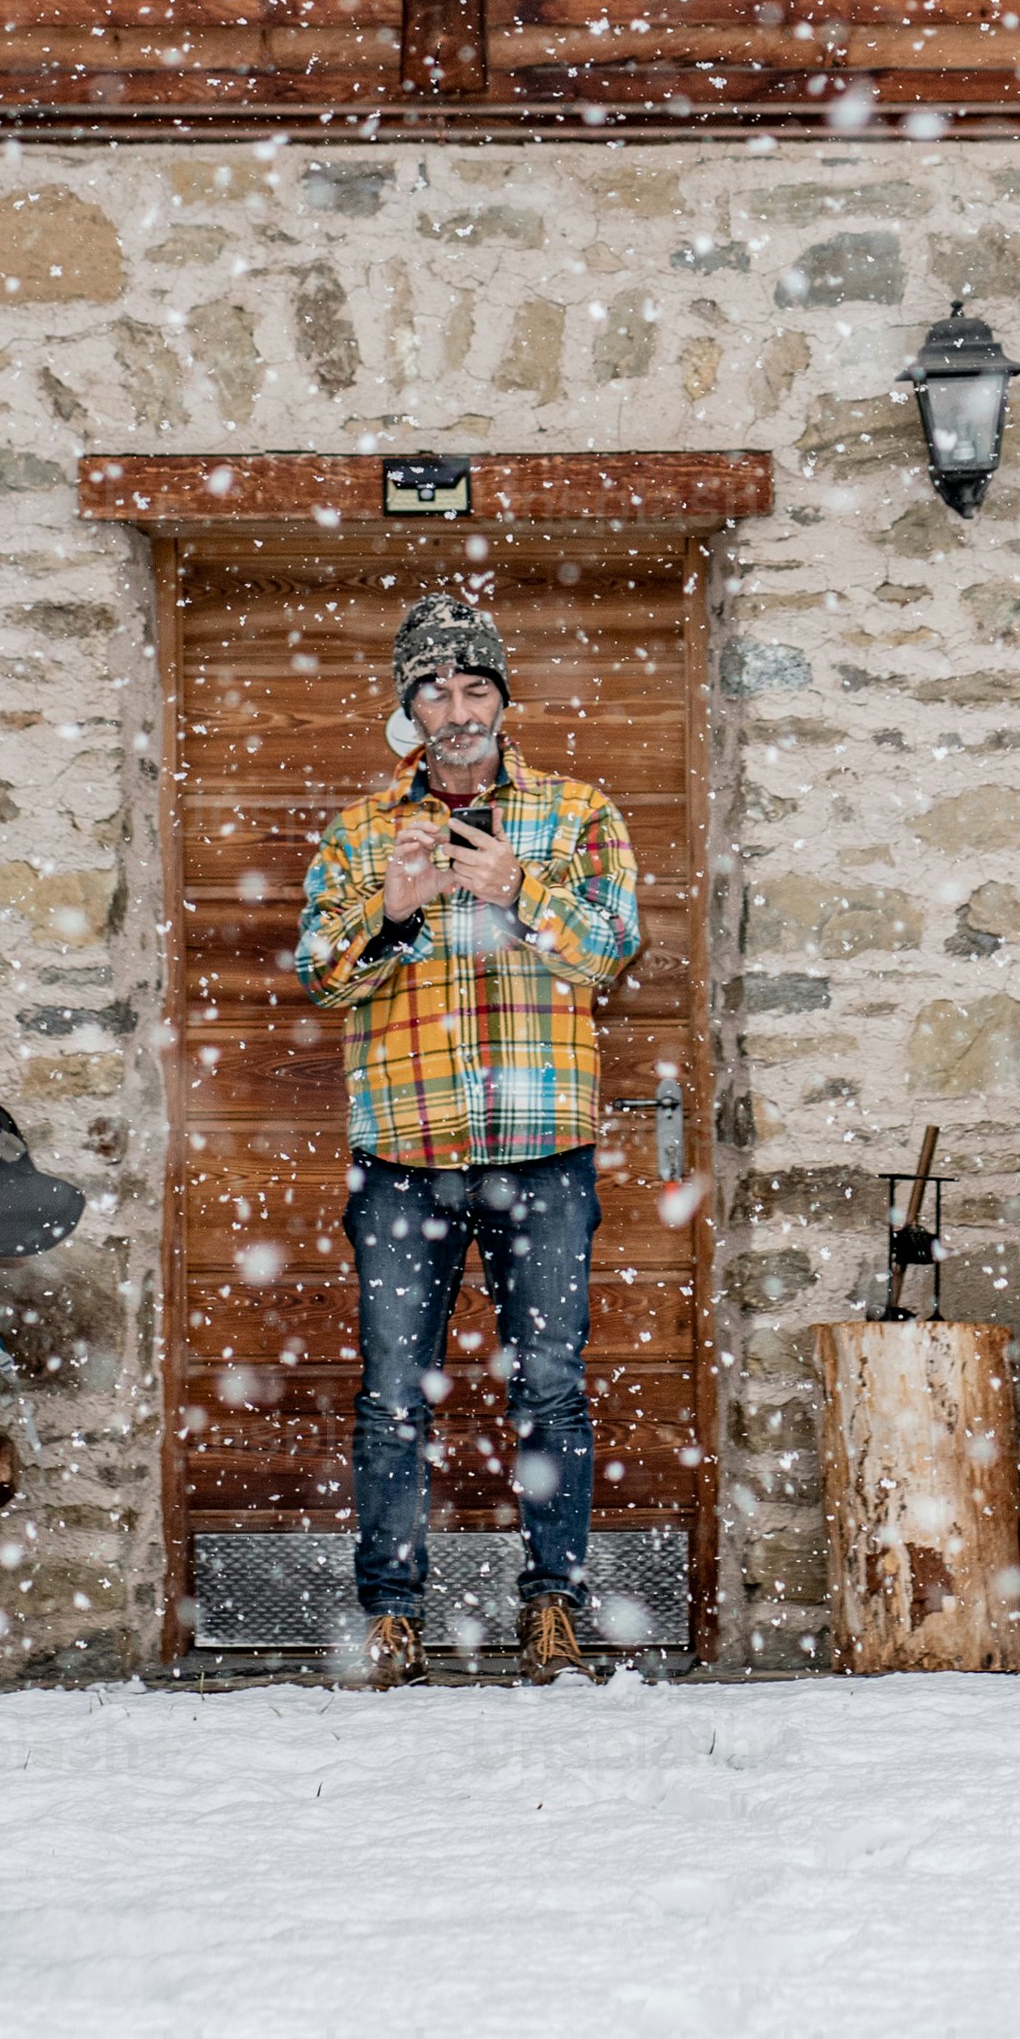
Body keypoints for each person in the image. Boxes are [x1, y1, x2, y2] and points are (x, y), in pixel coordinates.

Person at [289, 589, 643, 1687]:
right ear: (409, 709)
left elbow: (612, 951)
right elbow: (318, 977)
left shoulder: (580, 813)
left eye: (474, 686)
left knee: (549, 1384)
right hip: (407, 1151)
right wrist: (393, 914)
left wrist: (519, 885)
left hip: (542, 1147)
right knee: (395, 1394)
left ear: (502, 699)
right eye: (435, 688)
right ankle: (393, 1613)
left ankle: (555, 1610)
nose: (457, 707)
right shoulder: (358, 831)